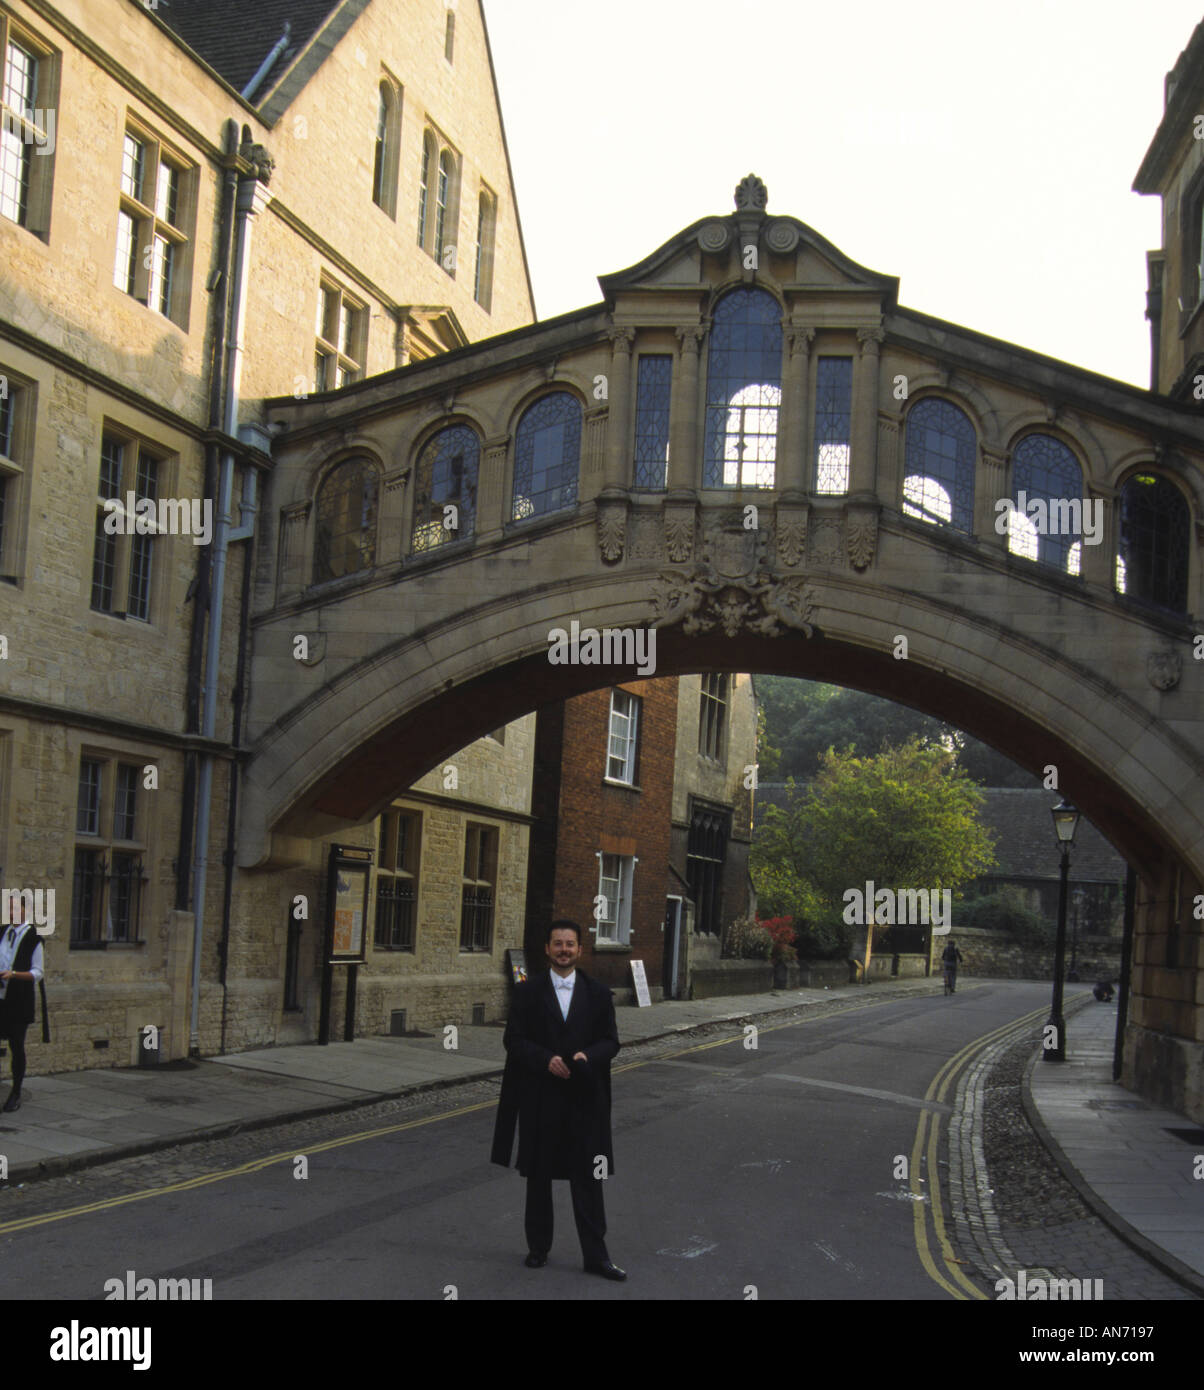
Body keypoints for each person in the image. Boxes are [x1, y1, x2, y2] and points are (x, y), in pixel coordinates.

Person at [491, 919, 625, 1280]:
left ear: (580, 950)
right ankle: (538, 1248)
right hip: (541, 1099)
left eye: (570, 944)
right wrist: (544, 1059)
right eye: (557, 944)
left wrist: (586, 1057)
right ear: (547, 950)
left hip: (585, 1101)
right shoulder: (527, 993)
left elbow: (611, 1042)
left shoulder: (598, 994)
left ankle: (597, 1257)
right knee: (539, 1177)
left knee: (589, 1180)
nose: (564, 950)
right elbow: (514, 1041)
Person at [0, 894, 46, 1113]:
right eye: (8, 909)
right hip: (1, 999)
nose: (11, 914)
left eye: (15, 909)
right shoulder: (2, 932)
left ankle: (16, 1092)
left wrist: (15, 974)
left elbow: (37, 973)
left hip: (18, 1001)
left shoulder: (33, 938)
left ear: (25, 911)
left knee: (16, 1046)